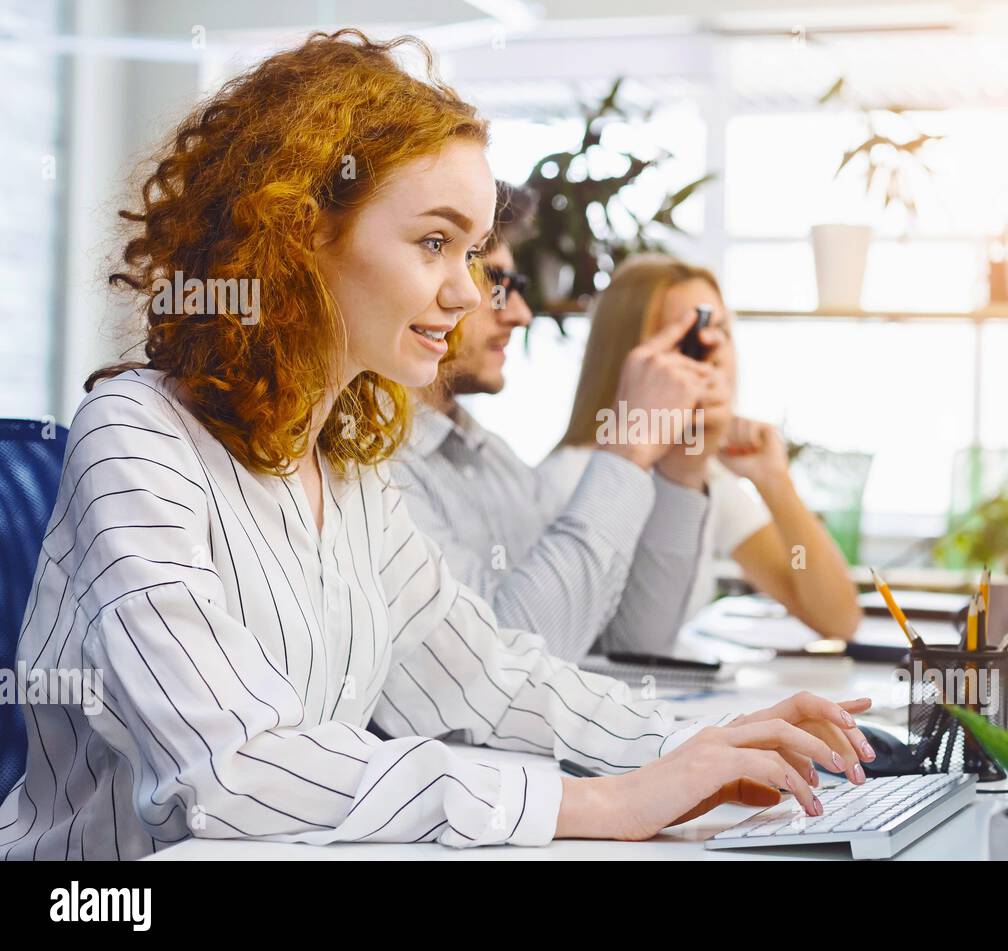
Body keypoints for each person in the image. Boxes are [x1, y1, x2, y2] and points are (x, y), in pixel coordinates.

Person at [0, 31, 875, 862]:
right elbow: (236, 771)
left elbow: (487, 679)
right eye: (434, 243)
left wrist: (705, 744)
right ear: (300, 235)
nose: (465, 291)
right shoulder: (137, 438)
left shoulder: (345, 468)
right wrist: (604, 804)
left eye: (473, 250)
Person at [390, 183, 725, 661]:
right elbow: (511, 660)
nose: (522, 315)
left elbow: (630, 644)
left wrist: (685, 465)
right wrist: (630, 443)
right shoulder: (380, 467)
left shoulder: (495, 458)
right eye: (500, 287)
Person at [547, 255, 861, 640]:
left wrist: (774, 481)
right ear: (628, 357)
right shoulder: (574, 481)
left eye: (722, 330)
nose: (714, 350)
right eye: (690, 334)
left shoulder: (701, 474)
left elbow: (838, 619)